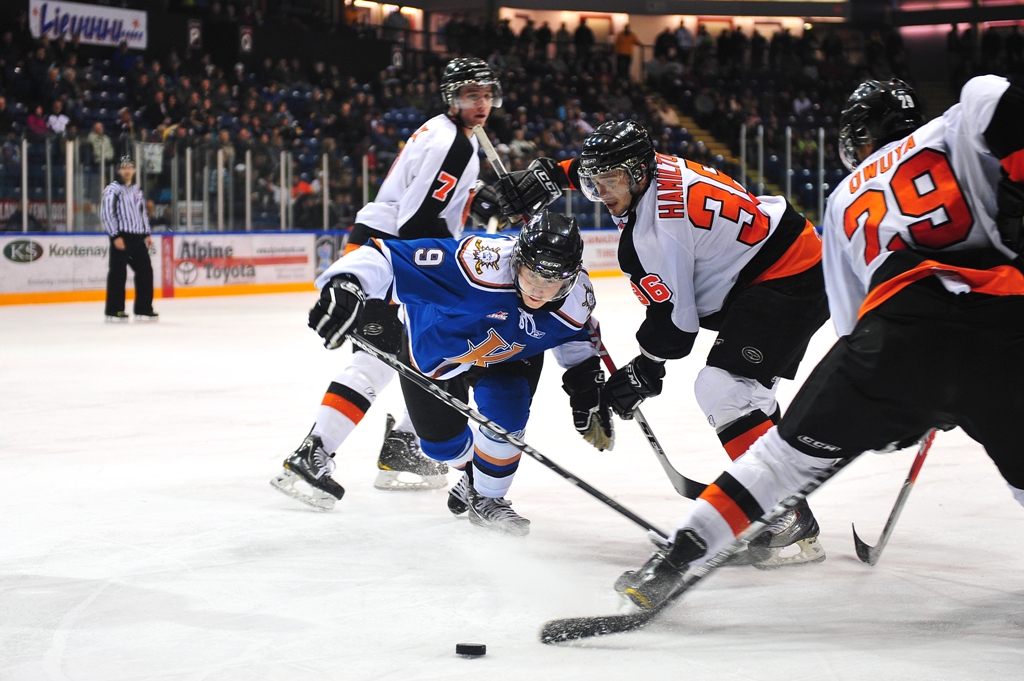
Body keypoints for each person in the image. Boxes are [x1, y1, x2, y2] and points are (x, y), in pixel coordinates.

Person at [611, 75, 1024, 610]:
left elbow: (853, 329)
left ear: (860, 137)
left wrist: (903, 402)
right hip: (1004, 322)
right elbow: (998, 105)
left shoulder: (845, 197)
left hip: (885, 336)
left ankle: (676, 562)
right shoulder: (962, 123)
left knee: (773, 454)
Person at [496, 120, 830, 568]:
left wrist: (643, 371)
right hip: (782, 263)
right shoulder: (650, 171)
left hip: (787, 278)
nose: (602, 190)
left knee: (724, 389)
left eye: (610, 181)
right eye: (595, 181)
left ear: (637, 173)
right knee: (750, 395)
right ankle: (782, 503)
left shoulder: (655, 232)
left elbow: (676, 324)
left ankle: (785, 516)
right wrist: (553, 176)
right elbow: (597, 167)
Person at [277, 212, 613, 535]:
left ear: (570, 278)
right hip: (435, 351)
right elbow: (387, 256)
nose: (539, 288)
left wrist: (586, 390)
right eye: (532, 275)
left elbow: (574, 333)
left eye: (552, 280)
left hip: (506, 355)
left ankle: (488, 498)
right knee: (439, 445)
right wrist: (346, 285)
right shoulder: (477, 263)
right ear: (517, 261)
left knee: (508, 412)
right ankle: (473, 470)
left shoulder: (577, 298)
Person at [270, 57, 506, 504]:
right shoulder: (454, 144)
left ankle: (402, 447)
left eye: (487, 94)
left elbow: (425, 203)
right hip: (396, 255)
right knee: (385, 360)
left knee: (429, 352)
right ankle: (316, 453)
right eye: (471, 95)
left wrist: (474, 204)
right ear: (452, 98)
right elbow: (417, 220)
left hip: (390, 247)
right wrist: (448, 268)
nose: (482, 103)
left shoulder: (445, 132)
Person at [100, 156, 157, 322]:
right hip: (122, 235)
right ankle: (114, 311)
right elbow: (107, 213)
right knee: (118, 274)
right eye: (124, 168)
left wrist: (146, 233)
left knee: (145, 271)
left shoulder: (137, 190)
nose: (127, 171)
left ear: (134, 170)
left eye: (130, 167)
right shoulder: (113, 189)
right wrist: (115, 235)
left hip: (137, 236)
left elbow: (142, 213)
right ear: (119, 170)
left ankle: (144, 308)